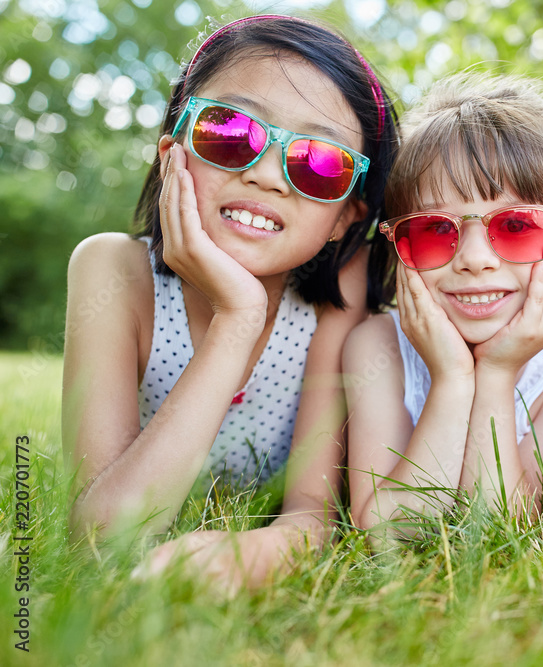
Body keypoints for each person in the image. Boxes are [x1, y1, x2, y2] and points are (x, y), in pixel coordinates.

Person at [62, 15, 398, 590]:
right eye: (230, 132)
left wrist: (248, 556)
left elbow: (311, 515)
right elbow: (99, 536)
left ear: (346, 216)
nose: (266, 176)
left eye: (321, 163)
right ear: (173, 153)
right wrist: (237, 319)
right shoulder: (114, 272)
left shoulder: (340, 297)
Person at [343, 73, 543, 543]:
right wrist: (452, 380)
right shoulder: (377, 346)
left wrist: (497, 374)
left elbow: (502, 527)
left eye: (517, 226)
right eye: (436, 229)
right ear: (399, 248)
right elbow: (385, 529)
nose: (475, 260)